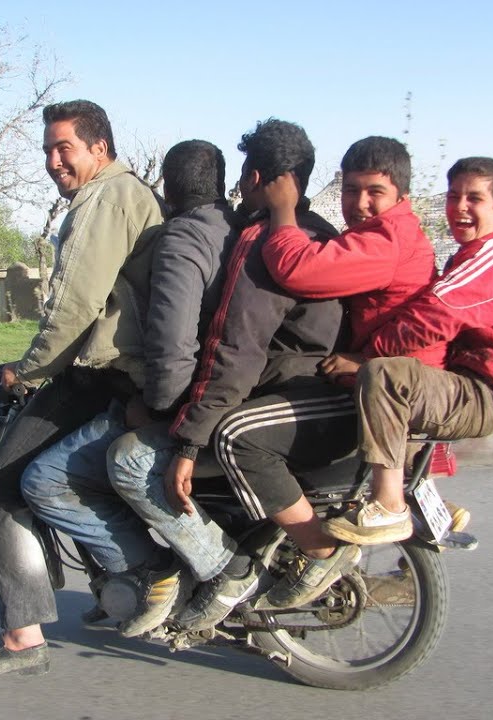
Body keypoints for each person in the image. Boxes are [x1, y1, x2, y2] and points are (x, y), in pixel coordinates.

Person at [0, 99, 164, 677]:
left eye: (64, 147)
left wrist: (28, 369)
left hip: (100, 370)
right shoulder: (126, 193)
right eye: (46, 150)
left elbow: (75, 305)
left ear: (100, 148)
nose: (52, 161)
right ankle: (104, 584)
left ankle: (22, 637)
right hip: (119, 367)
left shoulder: (104, 198)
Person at [108, 118, 354, 632]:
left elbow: (235, 351)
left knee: (131, 460)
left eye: (245, 176)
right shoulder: (320, 233)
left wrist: (188, 438)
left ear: (255, 177)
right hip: (313, 395)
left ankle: (228, 572)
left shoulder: (264, 243)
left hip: (277, 400)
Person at [17, 139, 240, 639]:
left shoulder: (180, 237)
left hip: (180, 399)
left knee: (46, 479)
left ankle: (159, 572)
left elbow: (173, 341)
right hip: (224, 394)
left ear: (167, 186)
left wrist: (156, 406)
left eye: (63, 148)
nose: (54, 160)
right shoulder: (236, 227)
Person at [319, 156, 493, 545]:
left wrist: (366, 354)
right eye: (453, 196)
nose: (460, 208)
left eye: (474, 198)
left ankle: (389, 505)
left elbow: (434, 314)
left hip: (482, 394)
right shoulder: (467, 255)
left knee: (386, 375)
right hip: (466, 383)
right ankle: (428, 505)